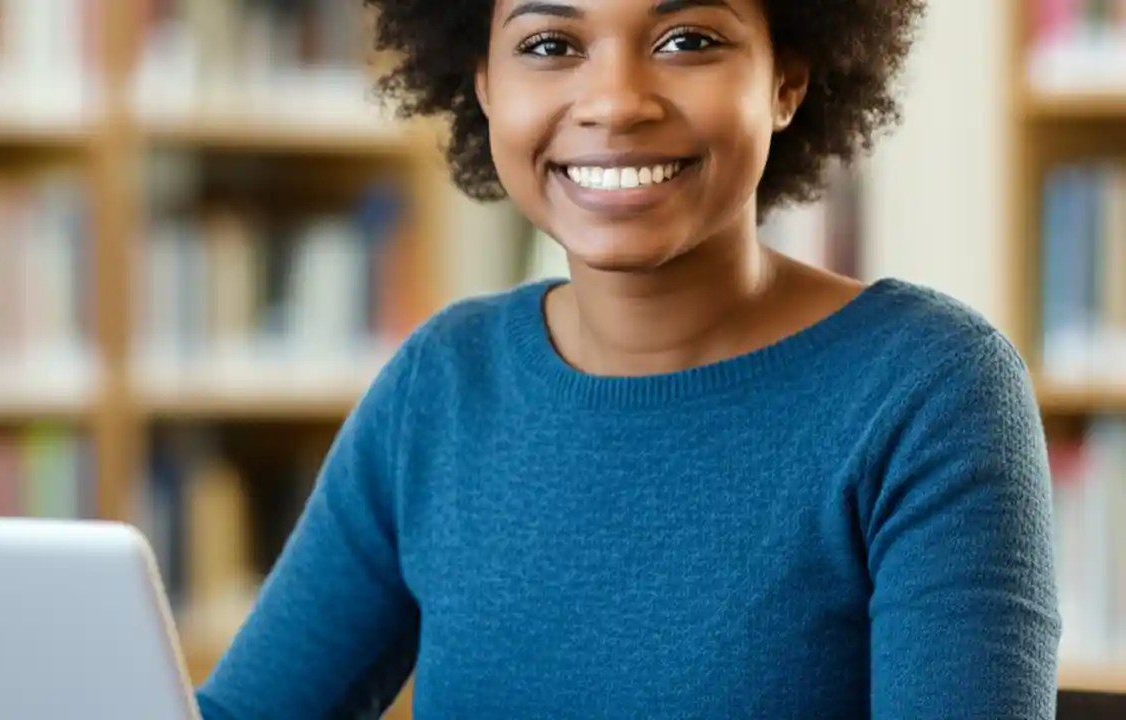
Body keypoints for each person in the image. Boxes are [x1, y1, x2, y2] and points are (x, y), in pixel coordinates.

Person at [196, 0, 1061, 717]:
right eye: (550, 45)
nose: (615, 102)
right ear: (485, 83)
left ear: (786, 80)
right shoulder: (442, 385)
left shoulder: (928, 392)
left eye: (687, 40)